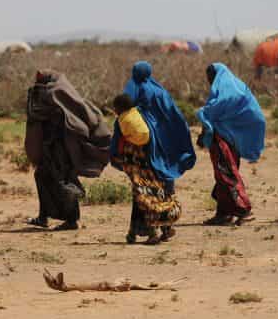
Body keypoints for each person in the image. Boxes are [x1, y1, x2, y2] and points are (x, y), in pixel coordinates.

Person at [24, 69, 111, 230]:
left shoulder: (58, 93)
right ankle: (44, 216)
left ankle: (71, 220)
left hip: (60, 148)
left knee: (63, 181)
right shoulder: (44, 95)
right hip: (49, 148)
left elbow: (71, 115)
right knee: (42, 177)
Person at [196, 63, 266, 225]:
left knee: (226, 174)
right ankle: (223, 214)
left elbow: (211, 113)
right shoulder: (235, 87)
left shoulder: (227, 92)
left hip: (224, 140)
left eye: (210, 77)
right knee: (222, 175)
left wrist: (203, 115)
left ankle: (244, 209)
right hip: (230, 139)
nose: (209, 80)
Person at [111, 94, 181, 244]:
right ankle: (165, 228)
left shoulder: (122, 121)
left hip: (135, 163)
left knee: (142, 196)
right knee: (158, 193)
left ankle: (151, 232)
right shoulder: (148, 116)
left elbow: (116, 144)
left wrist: (114, 159)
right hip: (155, 162)